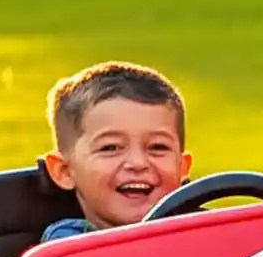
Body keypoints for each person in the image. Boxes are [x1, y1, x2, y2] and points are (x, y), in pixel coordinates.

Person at [39, 61, 194, 242]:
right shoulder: (65, 248)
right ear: (64, 171)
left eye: (157, 147)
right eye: (110, 148)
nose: (138, 163)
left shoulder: (208, 234)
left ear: (182, 167)